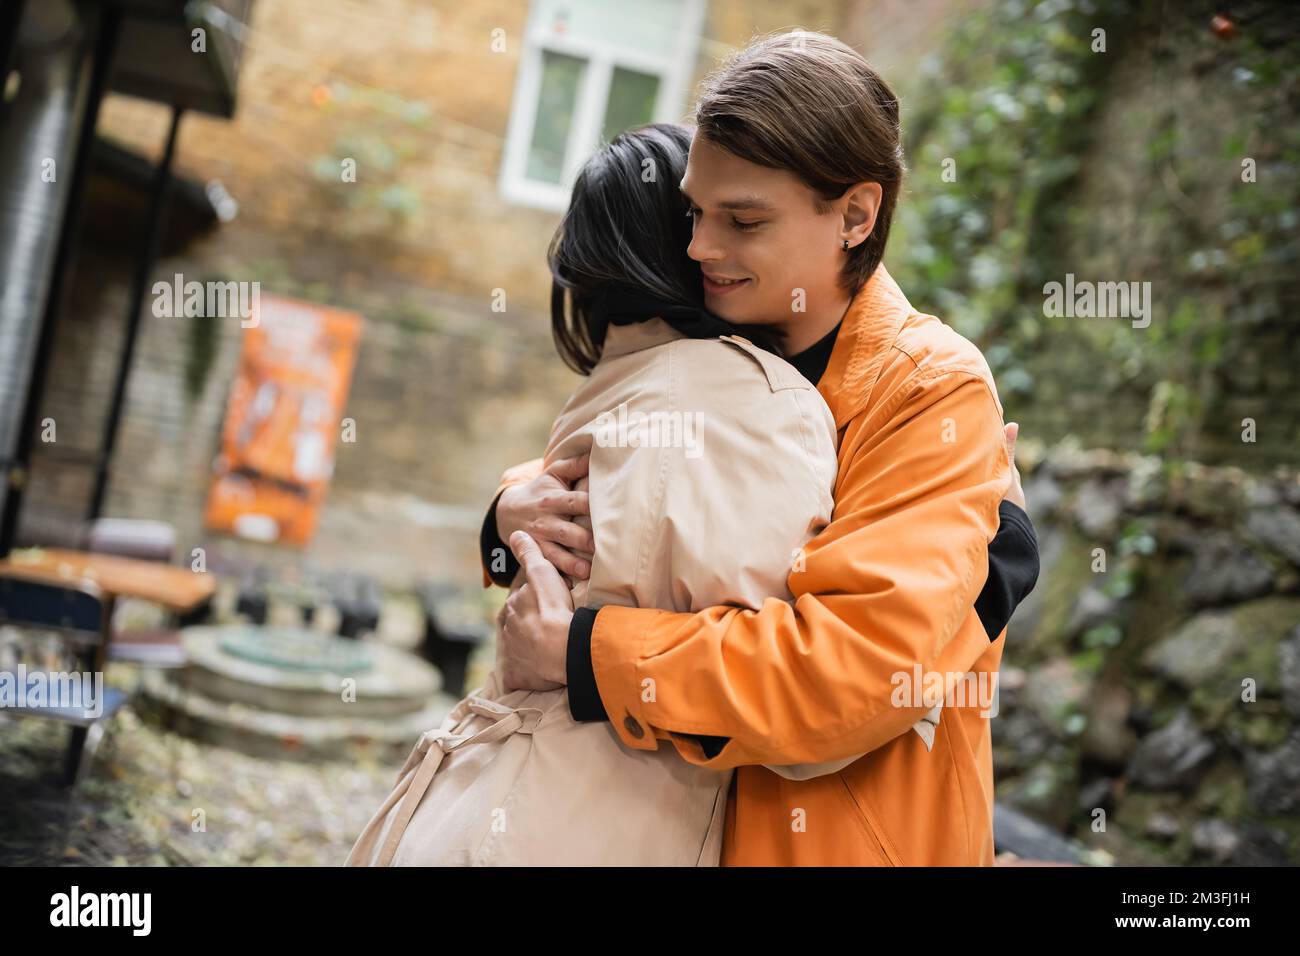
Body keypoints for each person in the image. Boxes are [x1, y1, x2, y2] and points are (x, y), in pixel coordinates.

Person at [493, 31, 1040, 866]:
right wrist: (509, 518)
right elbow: (635, 483)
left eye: (743, 221)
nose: (700, 248)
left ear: (856, 215)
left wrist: (584, 653)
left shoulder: (930, 391)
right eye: (694, 213)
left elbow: (847, 675)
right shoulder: (721, 343)